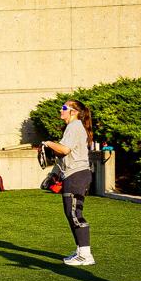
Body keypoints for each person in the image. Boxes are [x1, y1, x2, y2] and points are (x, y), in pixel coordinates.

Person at [42, 100, 94, 265]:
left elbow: (64, 150)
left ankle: (86, 255)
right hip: (74, 175)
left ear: (74, 112)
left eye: (64, 108)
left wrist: (48, 143)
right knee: (70, 213)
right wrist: (53, 174)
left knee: (74, 214)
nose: (61, 110)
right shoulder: (72, 128)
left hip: (77, 175)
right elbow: (63, 156)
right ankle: (80, 250)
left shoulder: (75, 126)